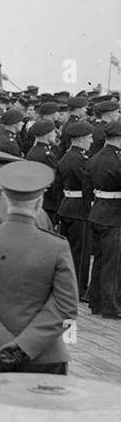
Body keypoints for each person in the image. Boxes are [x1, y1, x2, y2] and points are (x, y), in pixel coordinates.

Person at [0, 160, 77, 373]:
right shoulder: (57, 246)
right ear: (39, 203)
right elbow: (66, 305)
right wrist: (27, 344)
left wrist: (0, 341)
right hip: (45, 354)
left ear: (5, 198)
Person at [85, 119, 121, 318]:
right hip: (114, 214)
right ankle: (111, 306)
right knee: (113, 264)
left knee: (99, 260)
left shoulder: (94, 157)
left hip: (98, 211)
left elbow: (87, 189)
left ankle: (96, 302)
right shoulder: (117, 160)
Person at [55, 119, 95, 294]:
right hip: (80, 209)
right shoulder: (81, 160)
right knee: (81, 252)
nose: (91, 141)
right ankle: (78, 287)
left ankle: (63, 285)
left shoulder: (64, 157)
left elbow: (57, 187)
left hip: (66, 205)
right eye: (89, 138)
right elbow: (88, 186)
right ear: (80, 139)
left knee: (66, 251)